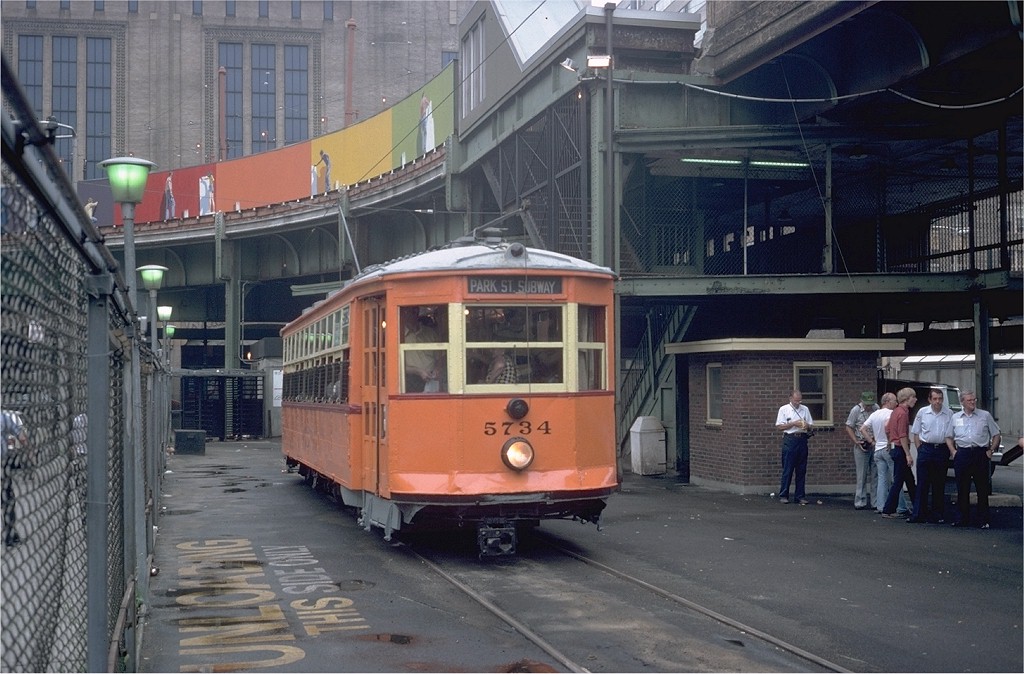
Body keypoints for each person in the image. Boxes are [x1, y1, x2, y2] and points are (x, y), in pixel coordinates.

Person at [945, 390, 1001, 529]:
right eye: (969, 400)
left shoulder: (984, 415)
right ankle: (962, 518)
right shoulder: (956, 417)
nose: (972, 402)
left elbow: (996, 434)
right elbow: (948, 436)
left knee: (982, 488)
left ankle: (983, 519)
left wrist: (991, 450)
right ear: (962, 402)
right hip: (963, 453)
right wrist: (953, 451)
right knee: (962, 488)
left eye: (974, 400)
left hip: (980, 453)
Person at [910, 388, 954, 524]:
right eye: (935, 399)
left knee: (939, 483)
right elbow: (916, 433)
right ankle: (918, 514)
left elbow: (951, 434)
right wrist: (920, 449)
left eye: (940, 399)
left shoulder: (949, 413)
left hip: (941, 449)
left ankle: (937, 514)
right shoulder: (923, 412)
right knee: (922, 483)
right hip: (926, 449)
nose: (938, 402)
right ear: (930, 399)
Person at [860, 392, 908, 516]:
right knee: (896, 479)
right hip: (888, 448)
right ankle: (900, 506)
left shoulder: (874, 414)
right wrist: (888, 441)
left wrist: (871, 441)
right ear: (887, 401)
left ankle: (881, 505)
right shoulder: (891, 414)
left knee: (882, 479)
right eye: (894, 401)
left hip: (877, 449)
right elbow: (888, 427)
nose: (896, 403)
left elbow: (862, 429)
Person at [883, 387, 917, 520]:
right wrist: (908, 454)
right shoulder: (903, 413)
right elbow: (903, 435)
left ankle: (917, 505)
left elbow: (887, 428)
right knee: (898, 481)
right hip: (900, 449)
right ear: (907, 399)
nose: (915, 399)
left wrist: (888, 442)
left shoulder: (895, 411)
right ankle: (888, 509)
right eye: (913, 397)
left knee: (908, 480)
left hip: (894, 447)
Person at [775, 390, 813, 505]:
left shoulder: (805, 409)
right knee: (788, 468)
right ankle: (784, 494)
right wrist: (793, 424)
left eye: (799, 400)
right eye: (796, 401)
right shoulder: (784, 409)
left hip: (802, 438)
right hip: (790, 439)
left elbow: (811, 425)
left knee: (801, 469)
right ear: (790, 398)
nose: (798, 403)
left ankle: (800, 496)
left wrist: (807, 426)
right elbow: (779, 427)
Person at [845, 391, 879, 510]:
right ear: (862, 401)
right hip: (862, 443)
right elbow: (849, 426)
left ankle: (875, 502)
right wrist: (855, 441)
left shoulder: (876, 408)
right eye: (867, 404)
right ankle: (860, 501)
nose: (869, 406)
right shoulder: (856, 410)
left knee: (876, 474)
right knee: (862, 475)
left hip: (874, 442)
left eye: (871, 404)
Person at [2, 409, 29, 546]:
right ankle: (10, 535)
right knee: (8, 501)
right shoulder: (3, 418)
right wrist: (28, 450)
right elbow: (21, 435)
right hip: (2, 465)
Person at [404, 314, 440, 393]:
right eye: (409, 311)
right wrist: (418, 371)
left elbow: (439, 357)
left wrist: (437, 369)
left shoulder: (430, 333)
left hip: (431, 379)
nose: (412, 314)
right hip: (409, 380)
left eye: (415, 310)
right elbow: (396, 366)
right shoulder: (399, 334)